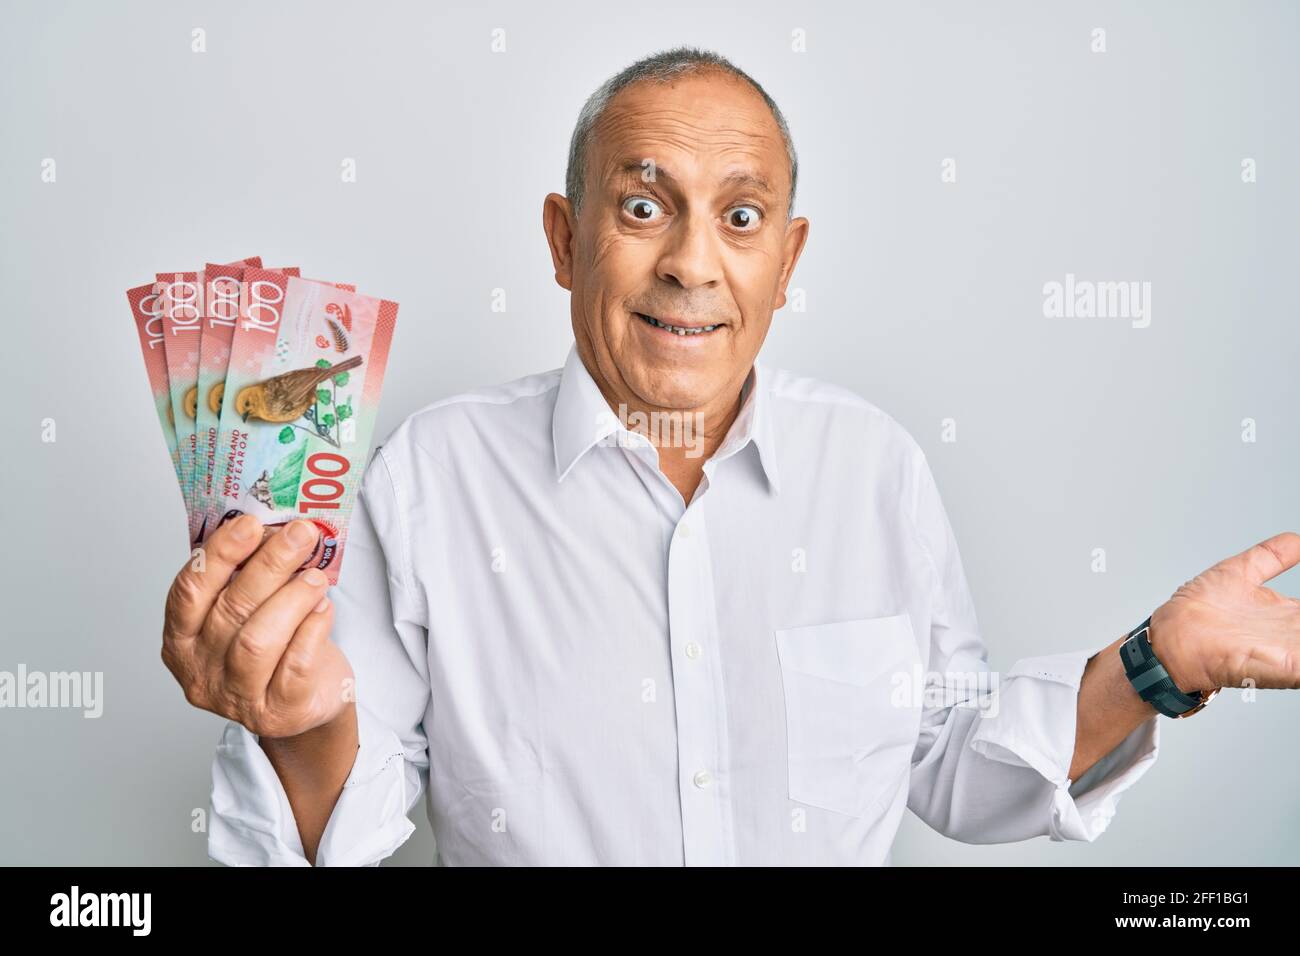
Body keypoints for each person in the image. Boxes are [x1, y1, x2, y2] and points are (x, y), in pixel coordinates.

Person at [161, 47, 1300, 866]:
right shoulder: (429, 478)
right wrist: (297, 722)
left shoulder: (875, 467)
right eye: (645, 206)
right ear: (565, 241)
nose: (693, 266)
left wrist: (1162, 661)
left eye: (743, 218)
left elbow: (955, 757)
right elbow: (332, 829)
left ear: (788, 256)